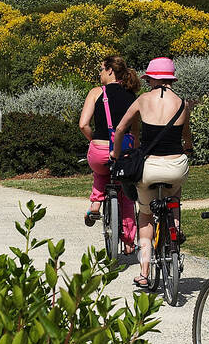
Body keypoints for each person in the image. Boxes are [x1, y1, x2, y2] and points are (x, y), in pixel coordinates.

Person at [109, 57, 192, 290]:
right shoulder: (183, 103)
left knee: (145, 214)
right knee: (174, 195)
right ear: (171, 78)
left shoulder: (142, 100)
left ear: (151, 78)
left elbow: (120, 129)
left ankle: (144, 271)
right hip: (175, 165)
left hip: (149, 167)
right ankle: (175, 231)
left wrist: (116, 155)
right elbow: (186, 135)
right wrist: (189, 148)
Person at [78, 54, 139, 252]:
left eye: (101, 69)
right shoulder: (132, 96)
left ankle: (95, 204)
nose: (99, 73)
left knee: (101, 170)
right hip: (124, 151)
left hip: (99, 148)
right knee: (126, 191)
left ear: (110, 70)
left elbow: (83, 125)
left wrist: (94, 140)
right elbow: (136, 131)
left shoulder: (96, 92)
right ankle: (129, 241)